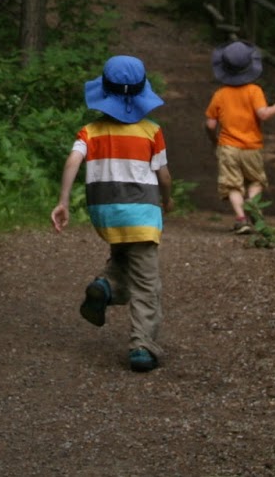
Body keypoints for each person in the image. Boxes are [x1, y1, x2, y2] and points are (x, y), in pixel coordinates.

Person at [50, 54, 173, 373]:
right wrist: (168, 199)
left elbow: (72, 161)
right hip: (142, 216)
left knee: (123, 257)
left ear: (104, 92)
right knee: (147, 284)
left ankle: (105, 286)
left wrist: (63, 201)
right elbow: (163, 175)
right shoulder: (152, 131)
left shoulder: (89, 131)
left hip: (108, 215)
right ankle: (142, 346)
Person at [205, 40, 275, 234]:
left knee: (232, 185)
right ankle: (252, 204)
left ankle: (241, 219)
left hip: (227, 147)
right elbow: (264, 114)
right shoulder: (254, 91)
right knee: (256, 181)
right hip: (251, 147)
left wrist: (215, 141)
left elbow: (210, 124)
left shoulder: (220, 94)